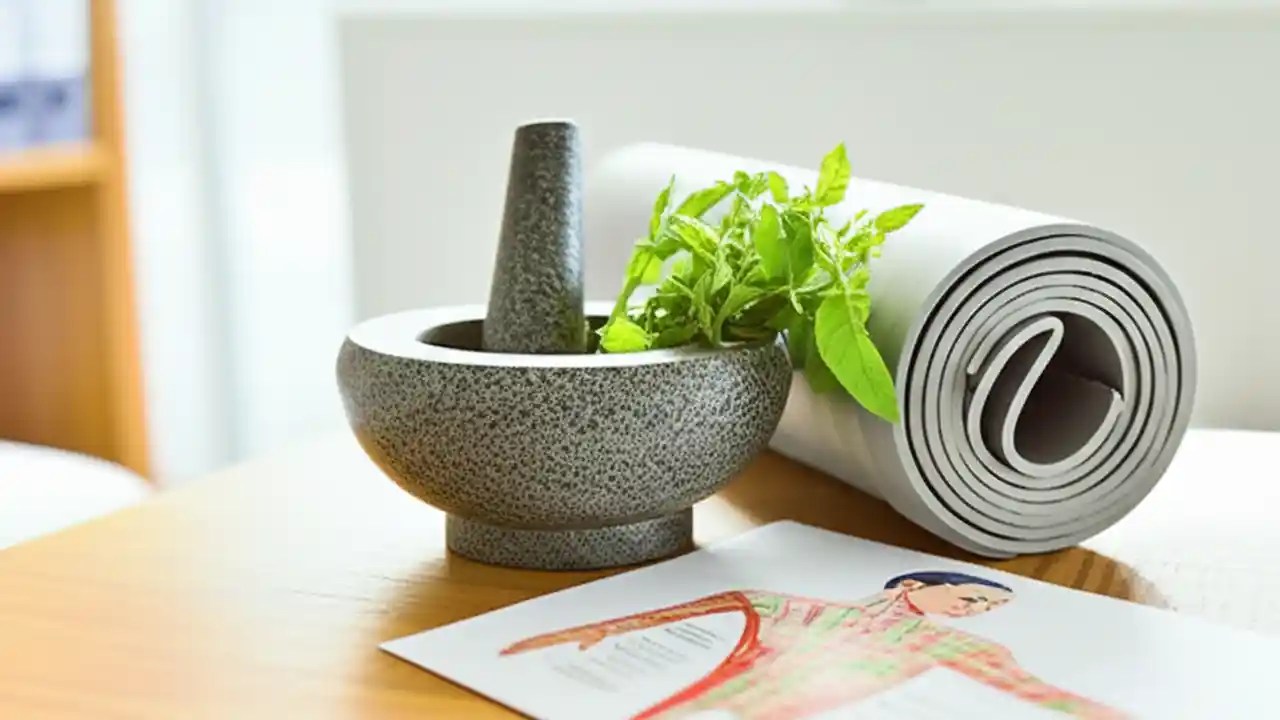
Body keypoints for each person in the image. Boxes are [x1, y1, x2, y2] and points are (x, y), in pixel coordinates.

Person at [501, 571, 1125, 719]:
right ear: (912, 584)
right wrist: (594, 628)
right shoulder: (794, 606)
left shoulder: (954, 647)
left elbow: (1036, 693)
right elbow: (698, 606)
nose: (978, 609)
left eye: (989, 608)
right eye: (973, 596)